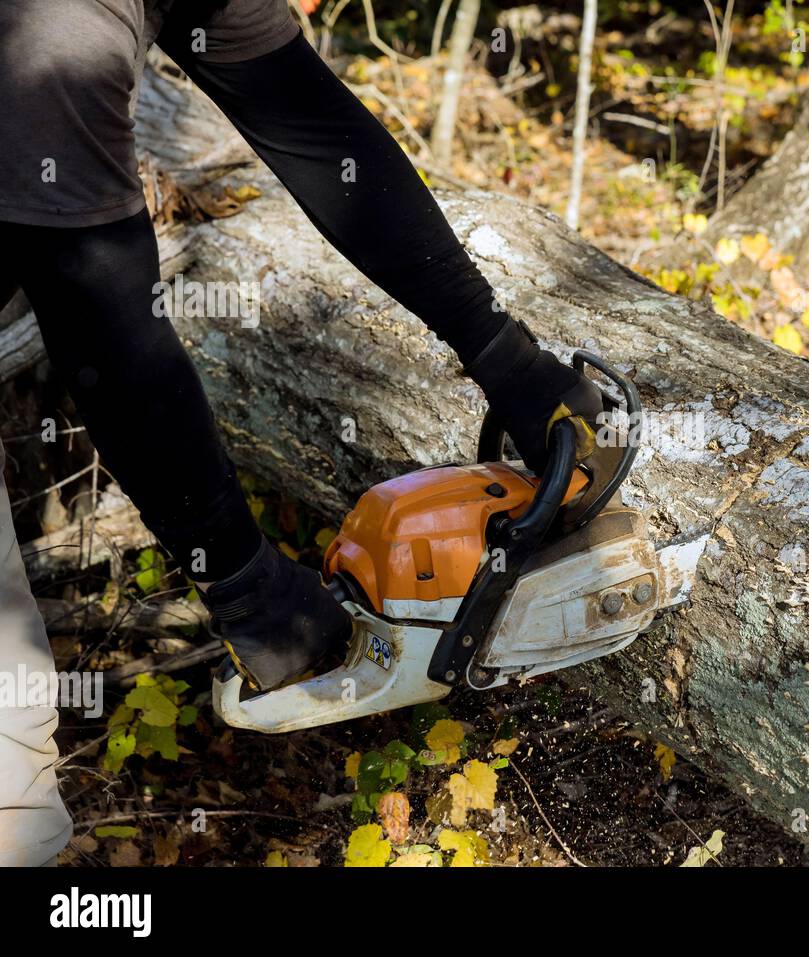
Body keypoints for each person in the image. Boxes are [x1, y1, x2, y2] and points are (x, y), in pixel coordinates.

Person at [0, 0, 601, 866]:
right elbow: (106, 331)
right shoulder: (60, 32)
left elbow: (322, 136)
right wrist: (250, 589)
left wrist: (505, 356)